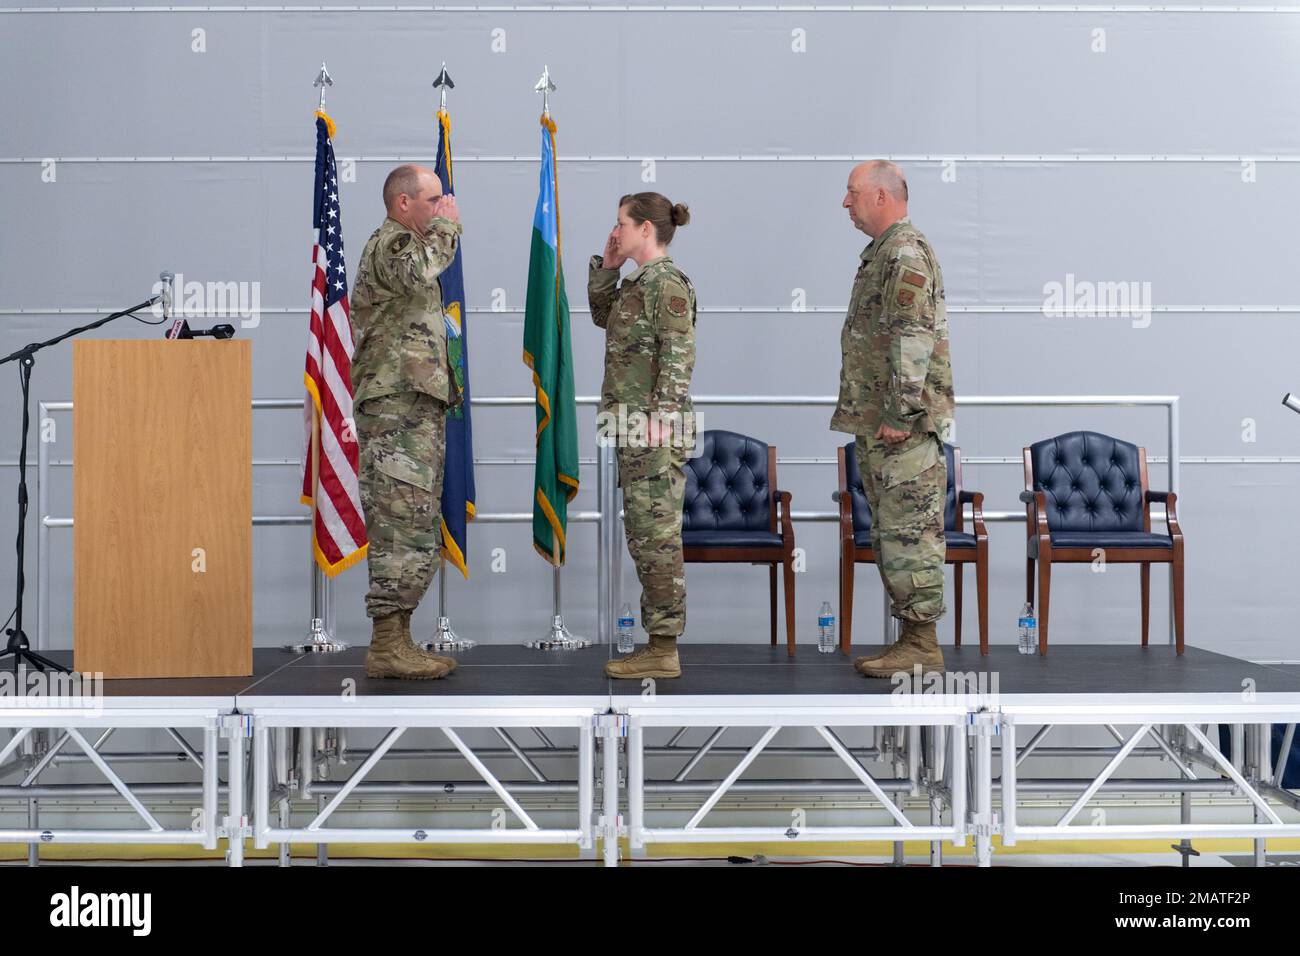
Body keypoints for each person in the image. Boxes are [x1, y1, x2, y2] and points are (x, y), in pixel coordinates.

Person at [830, 161, 955, 677]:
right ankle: (912, 640)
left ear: (882, 197)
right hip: (881, 422)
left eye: (852, 193)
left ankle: (922, 644)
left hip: (900, 425)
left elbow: (913, 333)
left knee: (909, 533)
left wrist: (902, 411)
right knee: (891, 532)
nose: (845, 203)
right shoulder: (884, 253)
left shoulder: (903, 253)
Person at [350, 164, 463, 679]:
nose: (443, 205)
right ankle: (386, 645)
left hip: (414, 407)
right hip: (394, 410)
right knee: (398, 521)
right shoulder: (392, 246)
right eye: (434, 198)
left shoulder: (407, 243)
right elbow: (420, 267)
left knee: (415, 521)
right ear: (403, 203)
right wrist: (449, 227)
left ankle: (399, 639)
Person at [588, 192, 696, 679]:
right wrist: (607, 267)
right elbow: (601, 317)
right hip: (630, 426)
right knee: (643, 536)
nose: (616, 232)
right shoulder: (638, 283)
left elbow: (678, 352)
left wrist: (663, 416)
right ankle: (659, 642)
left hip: (652, 429)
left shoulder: (666, 283)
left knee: (656, 539)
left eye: (621, 225)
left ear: (645, 229)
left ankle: (663, 647)